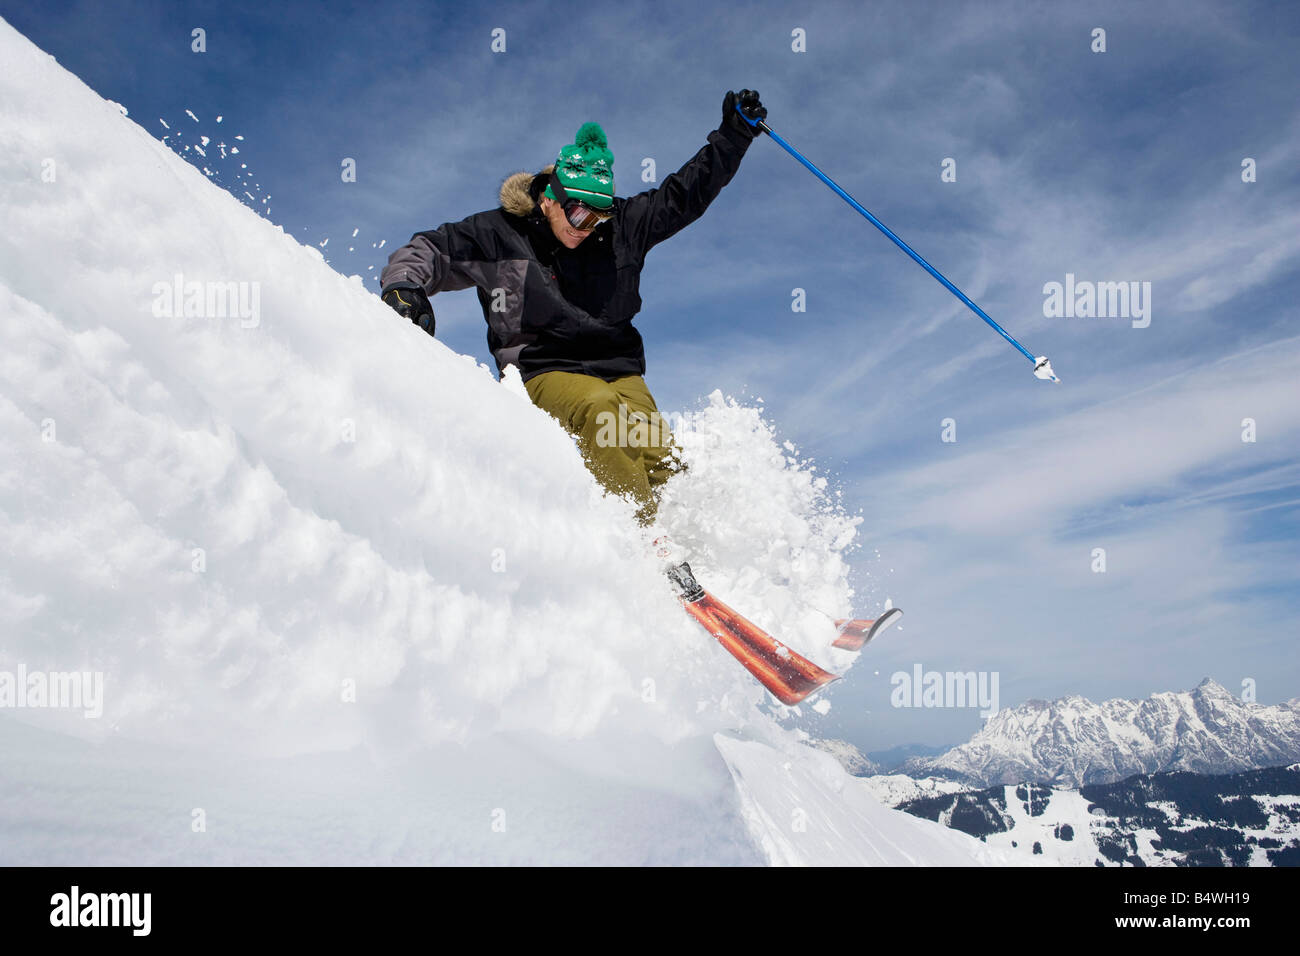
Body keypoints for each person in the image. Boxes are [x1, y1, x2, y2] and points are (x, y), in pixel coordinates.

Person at [380, 90, 767, 526]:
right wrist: (405, 287)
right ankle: (640, 540)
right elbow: (430, 250)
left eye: (601, 218)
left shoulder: (621, 225)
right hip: (543, 365)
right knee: (601, 412)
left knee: (660, 457)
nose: (589, 229)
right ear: (550, 198)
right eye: (581, 216)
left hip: (619, 366)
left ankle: (687, 554)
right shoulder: (499, 233)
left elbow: (684, 196)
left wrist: (733, 137)